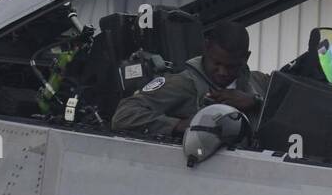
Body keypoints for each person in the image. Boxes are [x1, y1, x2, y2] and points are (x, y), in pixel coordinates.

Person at [111, 20, 269, 138]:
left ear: (246, 58)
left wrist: (256, 102)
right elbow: (124, 115)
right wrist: (179, 125)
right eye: (217, 63)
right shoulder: (183, 83)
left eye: (231, 66)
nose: (222, 72)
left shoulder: (259, 83)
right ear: (206, 48)